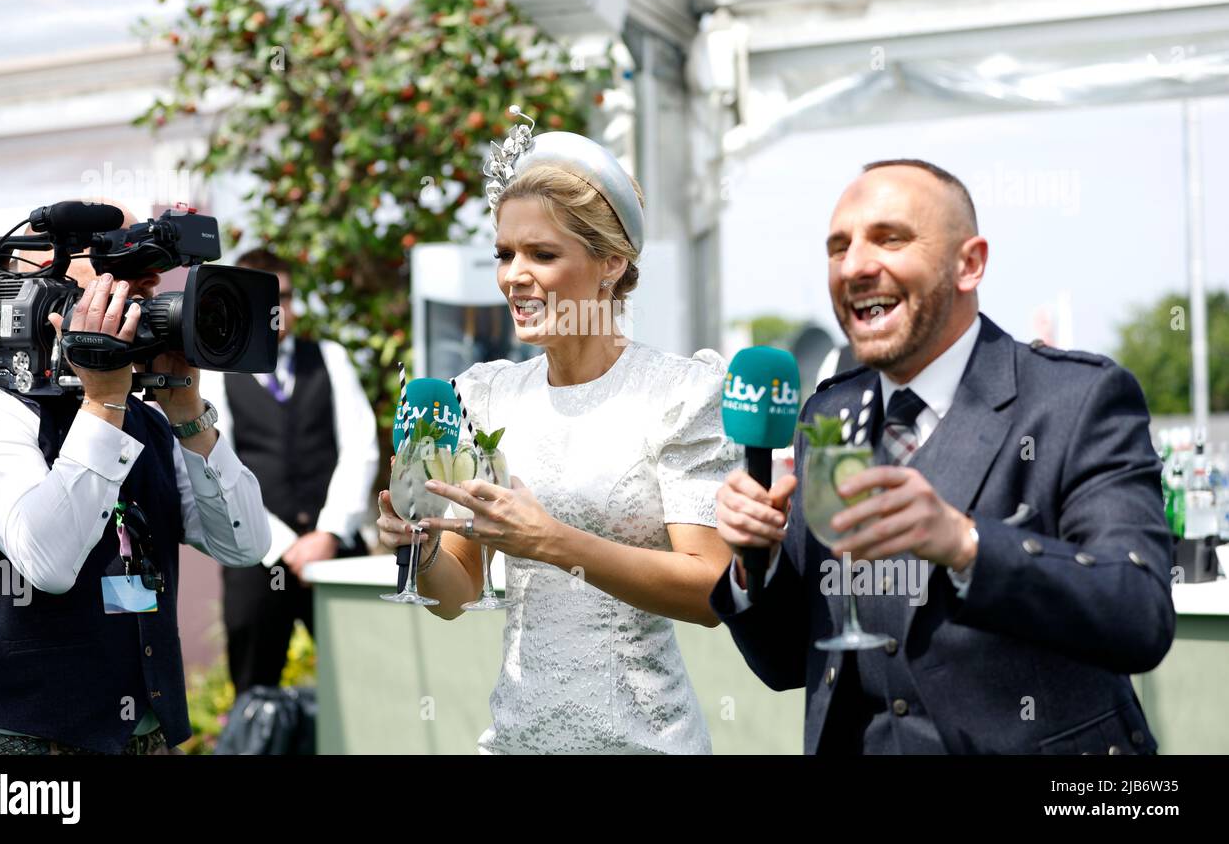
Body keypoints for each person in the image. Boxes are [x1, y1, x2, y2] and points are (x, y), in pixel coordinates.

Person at [711, 159, 1175, 754]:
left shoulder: (1076, 400)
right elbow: (786, 665)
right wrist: (757, 564)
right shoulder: (826, 416)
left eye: (890, 238)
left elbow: (1140, 616)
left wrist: (965, 544)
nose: (854, 265)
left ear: (970, 263)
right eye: (838, 247)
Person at [375, 122, 741, 754]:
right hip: (519, 737)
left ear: (611, 264)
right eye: (504, 253)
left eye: (541, 255)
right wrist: (418, 549)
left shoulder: (678, 394)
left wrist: (551, 541)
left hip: (646, 741)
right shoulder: (485, 393)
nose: (515, 275)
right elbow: (457, 596)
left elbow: (711, 590)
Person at [0, 205, 271, 755]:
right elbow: (51, 563)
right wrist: (105, 400)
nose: (147, 285)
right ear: (44, 269)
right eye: (117, 257)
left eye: (151, 273)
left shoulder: (152, 424)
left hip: (149, 742)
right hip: (18, 755)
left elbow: (245, 544)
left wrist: (188, 412)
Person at [202, 248, 378, 695]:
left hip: (336, 551)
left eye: (287, 297)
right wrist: (281, 544)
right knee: (254, 689)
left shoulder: (331, 358)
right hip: (255, 558)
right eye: (267, 299)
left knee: (367, 682)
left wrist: (329, 533)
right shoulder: (217, 376)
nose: (280, 310)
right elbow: (217, 467)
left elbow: (361, 448)